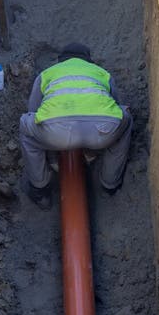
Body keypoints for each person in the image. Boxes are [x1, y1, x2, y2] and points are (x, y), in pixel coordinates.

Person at [19, 43, 132, 209]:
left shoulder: (47, 74)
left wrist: (51, 150)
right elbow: (114, 105)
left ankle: (40, 189)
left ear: (60, 61)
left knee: (26, 125)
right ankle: (110, 184)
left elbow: (34, 111)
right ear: (89, 61)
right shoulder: (102, 73)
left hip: (55, 131)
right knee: (125, 118)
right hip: (102, 130)